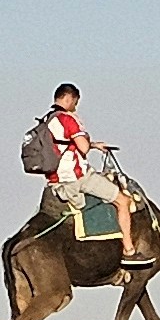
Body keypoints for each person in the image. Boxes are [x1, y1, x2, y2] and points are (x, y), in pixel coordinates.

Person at [43, 83, 137, 241]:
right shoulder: (68, 119)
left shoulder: (48, 120)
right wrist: (87, 142)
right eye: (75, 102)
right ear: (69, 98)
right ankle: (129, 248)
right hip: (77, 177)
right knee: (123, 200)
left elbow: (64, 144)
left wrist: (95, 145)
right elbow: (83, 148)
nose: (75, 107)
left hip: (55, 179)